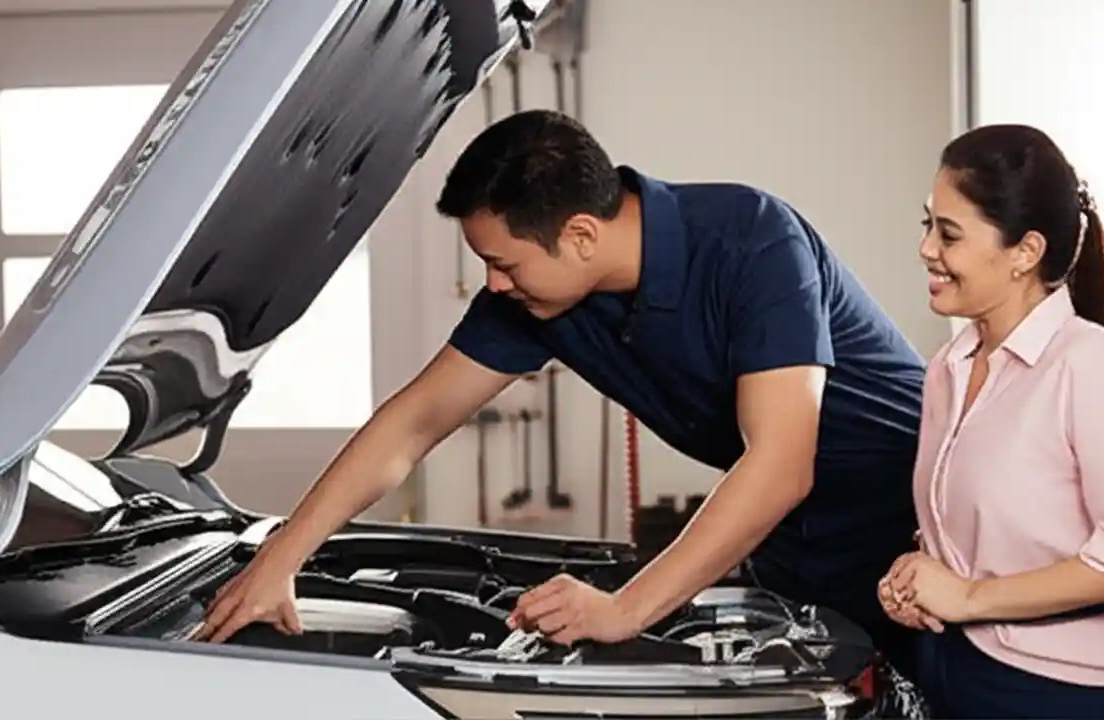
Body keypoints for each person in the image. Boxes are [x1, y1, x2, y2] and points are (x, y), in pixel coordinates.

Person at [197, 109, 928, 674]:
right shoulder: (537, 300)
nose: (492, 282)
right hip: (796, 558)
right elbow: (414, 422)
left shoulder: (753, 242)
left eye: (502, 261)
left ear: (580, 234)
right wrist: (282, 558)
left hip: (926, 537)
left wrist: (624, 609)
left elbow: (779, 465)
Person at [878, 124, 1104, 718]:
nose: (926, 250)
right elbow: (988, 530)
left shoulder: (1095, 368)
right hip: (954, 672)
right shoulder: (949, 366)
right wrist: (916, 578)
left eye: (949, 233)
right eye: (927, 225)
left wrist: (969, 595)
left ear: (1026, 252)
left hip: (1061, 695)